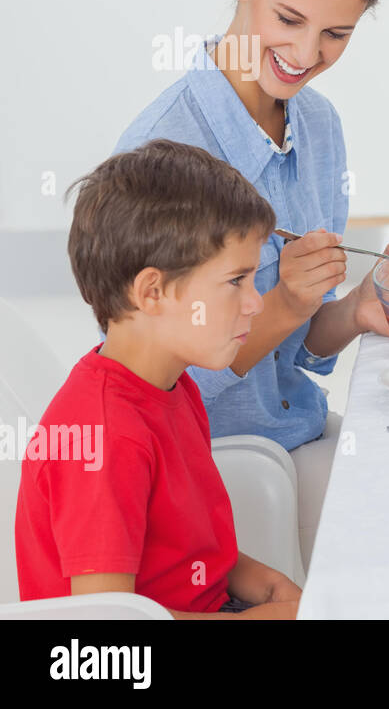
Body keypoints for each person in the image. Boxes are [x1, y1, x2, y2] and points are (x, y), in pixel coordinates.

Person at [113, 0, 389, 565]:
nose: (306, 56)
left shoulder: (319, 127)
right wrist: (283, 301)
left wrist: (358, 309)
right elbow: (155, 384)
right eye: (289, 19)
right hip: (211, 463)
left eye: (337, 34)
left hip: (294, 435)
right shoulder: (162, 153)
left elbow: (300, 353)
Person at [16, 140, 300, 618]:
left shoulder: (171, 383)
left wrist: (263, 584)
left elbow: (187, 554)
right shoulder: (105, 437)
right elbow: (104, 629)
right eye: (236, 281)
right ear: (152, 291)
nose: (254, 302)